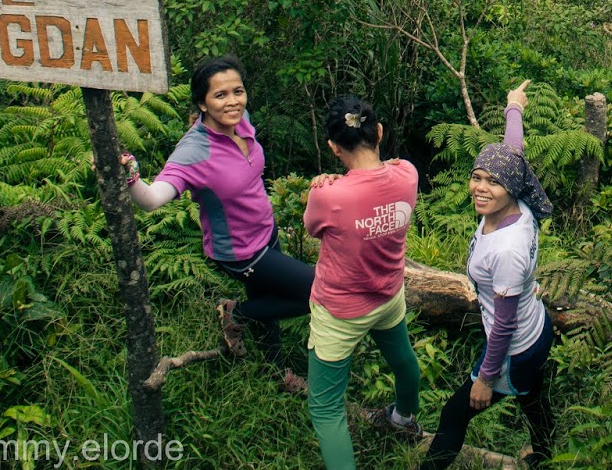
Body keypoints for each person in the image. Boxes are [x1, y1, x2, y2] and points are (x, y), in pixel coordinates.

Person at [119, 54, 312, 390]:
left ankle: (275, 373)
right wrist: (130, 174)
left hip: (267, 232)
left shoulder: (241, 121)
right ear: (202, 103)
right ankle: (235, 315)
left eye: (238, 91)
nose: (233, 101)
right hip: (241, 252)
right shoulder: (194, 152)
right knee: (316, 291)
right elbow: (151, 200)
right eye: (220, 95)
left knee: (267, 303)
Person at [422, 81, 556, 469]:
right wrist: (514, 107)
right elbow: (514, 151)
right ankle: (544, 457)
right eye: (477, 177)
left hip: (515, 345)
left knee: (453, 415)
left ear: (510, 186)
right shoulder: (520, 203)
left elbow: (504, 325)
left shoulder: (507, 250)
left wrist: (485, 378)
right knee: (532, 397)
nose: (481, 188)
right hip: (538, 326)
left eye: (493, 182)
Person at [303, 94, 423, 469]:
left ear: (333, 146)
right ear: (379, 132)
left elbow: (312, 229)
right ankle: (404, 418)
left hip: (340, 311)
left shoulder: (327, 195)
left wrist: (324, 184)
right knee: (403, 360)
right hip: (388, 295)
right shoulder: (408, 174)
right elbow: (387, 171)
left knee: (325, 408)